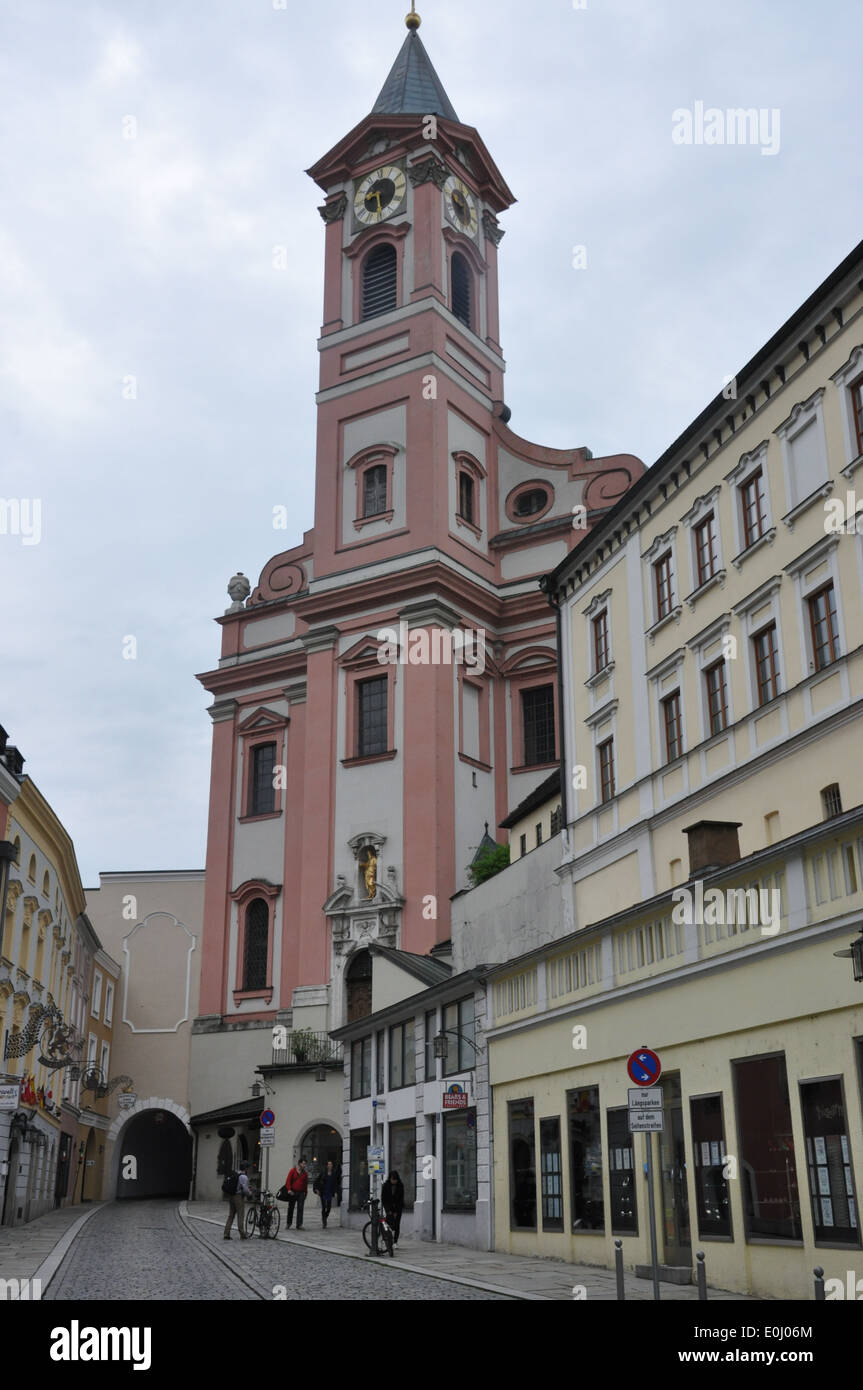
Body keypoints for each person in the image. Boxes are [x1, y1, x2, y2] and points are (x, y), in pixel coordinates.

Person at [224, 1161, 252, 1240]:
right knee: (241, 1215)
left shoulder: (235, 1174)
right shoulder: (243, 1177)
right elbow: (245, 1189)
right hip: (238, 1197)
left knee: (231, 1215)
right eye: (248, 1168)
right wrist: (250, 1194)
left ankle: (226, 1233)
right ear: (246, 1168)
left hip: (231, 1196)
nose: (248, 1169)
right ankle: (242, 1233)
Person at [283, 1158, 309, 1229]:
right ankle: (289, 1223)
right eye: (303, 1163)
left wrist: (305, 1193)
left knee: (300, 1209)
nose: (304, 1165)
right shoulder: (293, 1171)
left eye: (305, 1164)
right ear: (299, 1163)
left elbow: (305, 1184)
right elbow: (288, 1181)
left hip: (301, 1193)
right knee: (291, 1208)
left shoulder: (305, 1174)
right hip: (293, 1192)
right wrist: (289, 1190)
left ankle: (299, 1224)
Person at [381, 1170, 405, 1244]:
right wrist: (388, 1210)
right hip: (389, 1208)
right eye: (392, 1179)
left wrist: (396, 1211)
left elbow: (401, 1199)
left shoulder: (400, 1186)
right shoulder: (386, 1186)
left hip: (398, 1208)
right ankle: (386, 1239)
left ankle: (395, 1241)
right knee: (388, 1224)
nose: (394, 1181)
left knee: (397, 1225)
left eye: (395, 1180)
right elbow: (384, 1199)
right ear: (390, 1179)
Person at [317, 1160, 339, 1229]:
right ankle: (324, 1222)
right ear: (327, 1166)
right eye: (328, 1164)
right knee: (324, 1207)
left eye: (331, 1164)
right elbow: (317, 1181)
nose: (329, 1165)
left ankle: (325, 1217)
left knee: (329, 1208)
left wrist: (335, 1192)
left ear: (332, 1166)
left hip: (329, 1192)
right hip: (323, 1192)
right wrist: (316, 1189)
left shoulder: (334, 1174)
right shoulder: (323, 1173)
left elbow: (335, 1184)